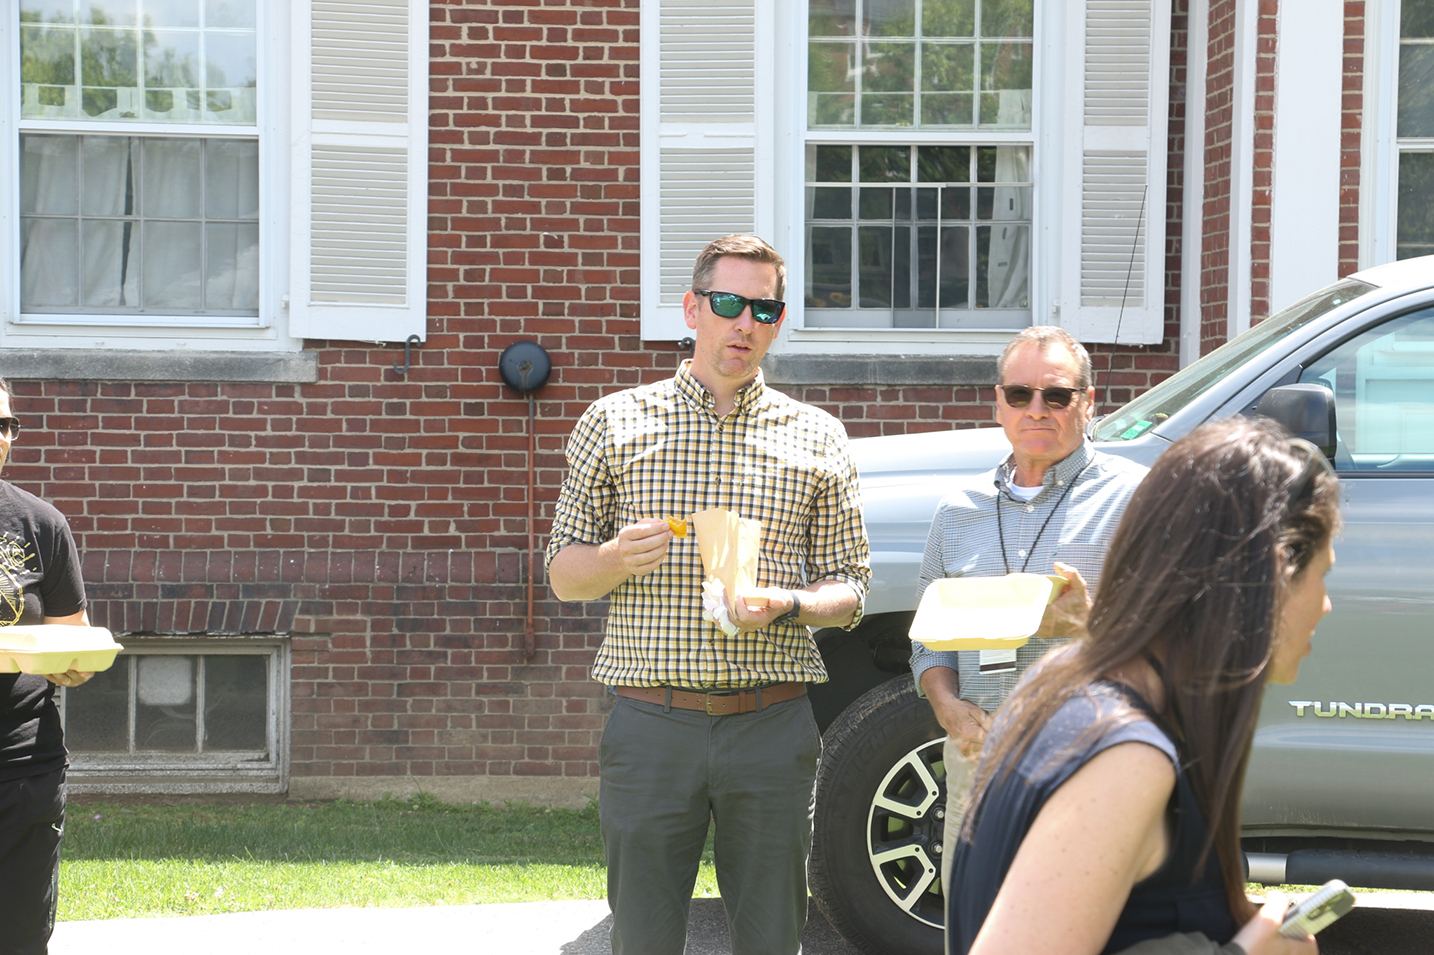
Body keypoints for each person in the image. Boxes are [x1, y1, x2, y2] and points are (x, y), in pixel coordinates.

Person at [545, 234, 871, 955]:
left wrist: (787, 602)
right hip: (653, 724)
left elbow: (852, 588)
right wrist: (613, 557)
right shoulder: (615, 422)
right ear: (693, 309)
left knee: (770, 938)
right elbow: (563, 573)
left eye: (765, 307)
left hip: (771, 722)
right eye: (729, 302)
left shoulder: (817, 436)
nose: (745, 322)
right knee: (644, 938)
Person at [948, 417, 1337, 955]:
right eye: (1324, 575)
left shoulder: (1061, 684)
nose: (1325, 606)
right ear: (1269, 578)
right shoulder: (1126, 758)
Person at [908, 326, 1149, 864]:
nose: (1036, 409)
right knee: (975, 935)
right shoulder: (957, 511)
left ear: (1087, 403)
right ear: (999, 403)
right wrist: (945, 704)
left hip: (1086, 760)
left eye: (1057, 395)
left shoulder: (1136, 499)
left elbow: (1174, 636)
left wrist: (1088, 623)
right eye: (1020, 394)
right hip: (978, 761)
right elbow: (930, 642)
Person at [0, 376, 95, 955]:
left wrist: (75, 664)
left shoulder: (40, 525)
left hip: (22, 770)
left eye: (5, 424)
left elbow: (71, 639)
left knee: (19, 939)